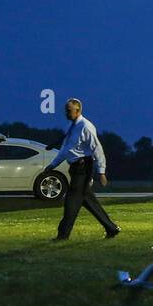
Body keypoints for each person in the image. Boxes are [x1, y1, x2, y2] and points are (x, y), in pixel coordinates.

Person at [46, 98, 120, 240]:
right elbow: (66, 149)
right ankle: (111, 228)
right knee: (88, 200)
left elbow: (97, 149)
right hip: (75, 168)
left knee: (71, 201)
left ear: (78, 110)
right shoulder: (71, 127)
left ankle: (63, 235)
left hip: (83, 168)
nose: (66, 114)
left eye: (69, 111)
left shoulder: (86, 127)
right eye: (66, 111)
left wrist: (101, 172)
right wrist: (53, 165)